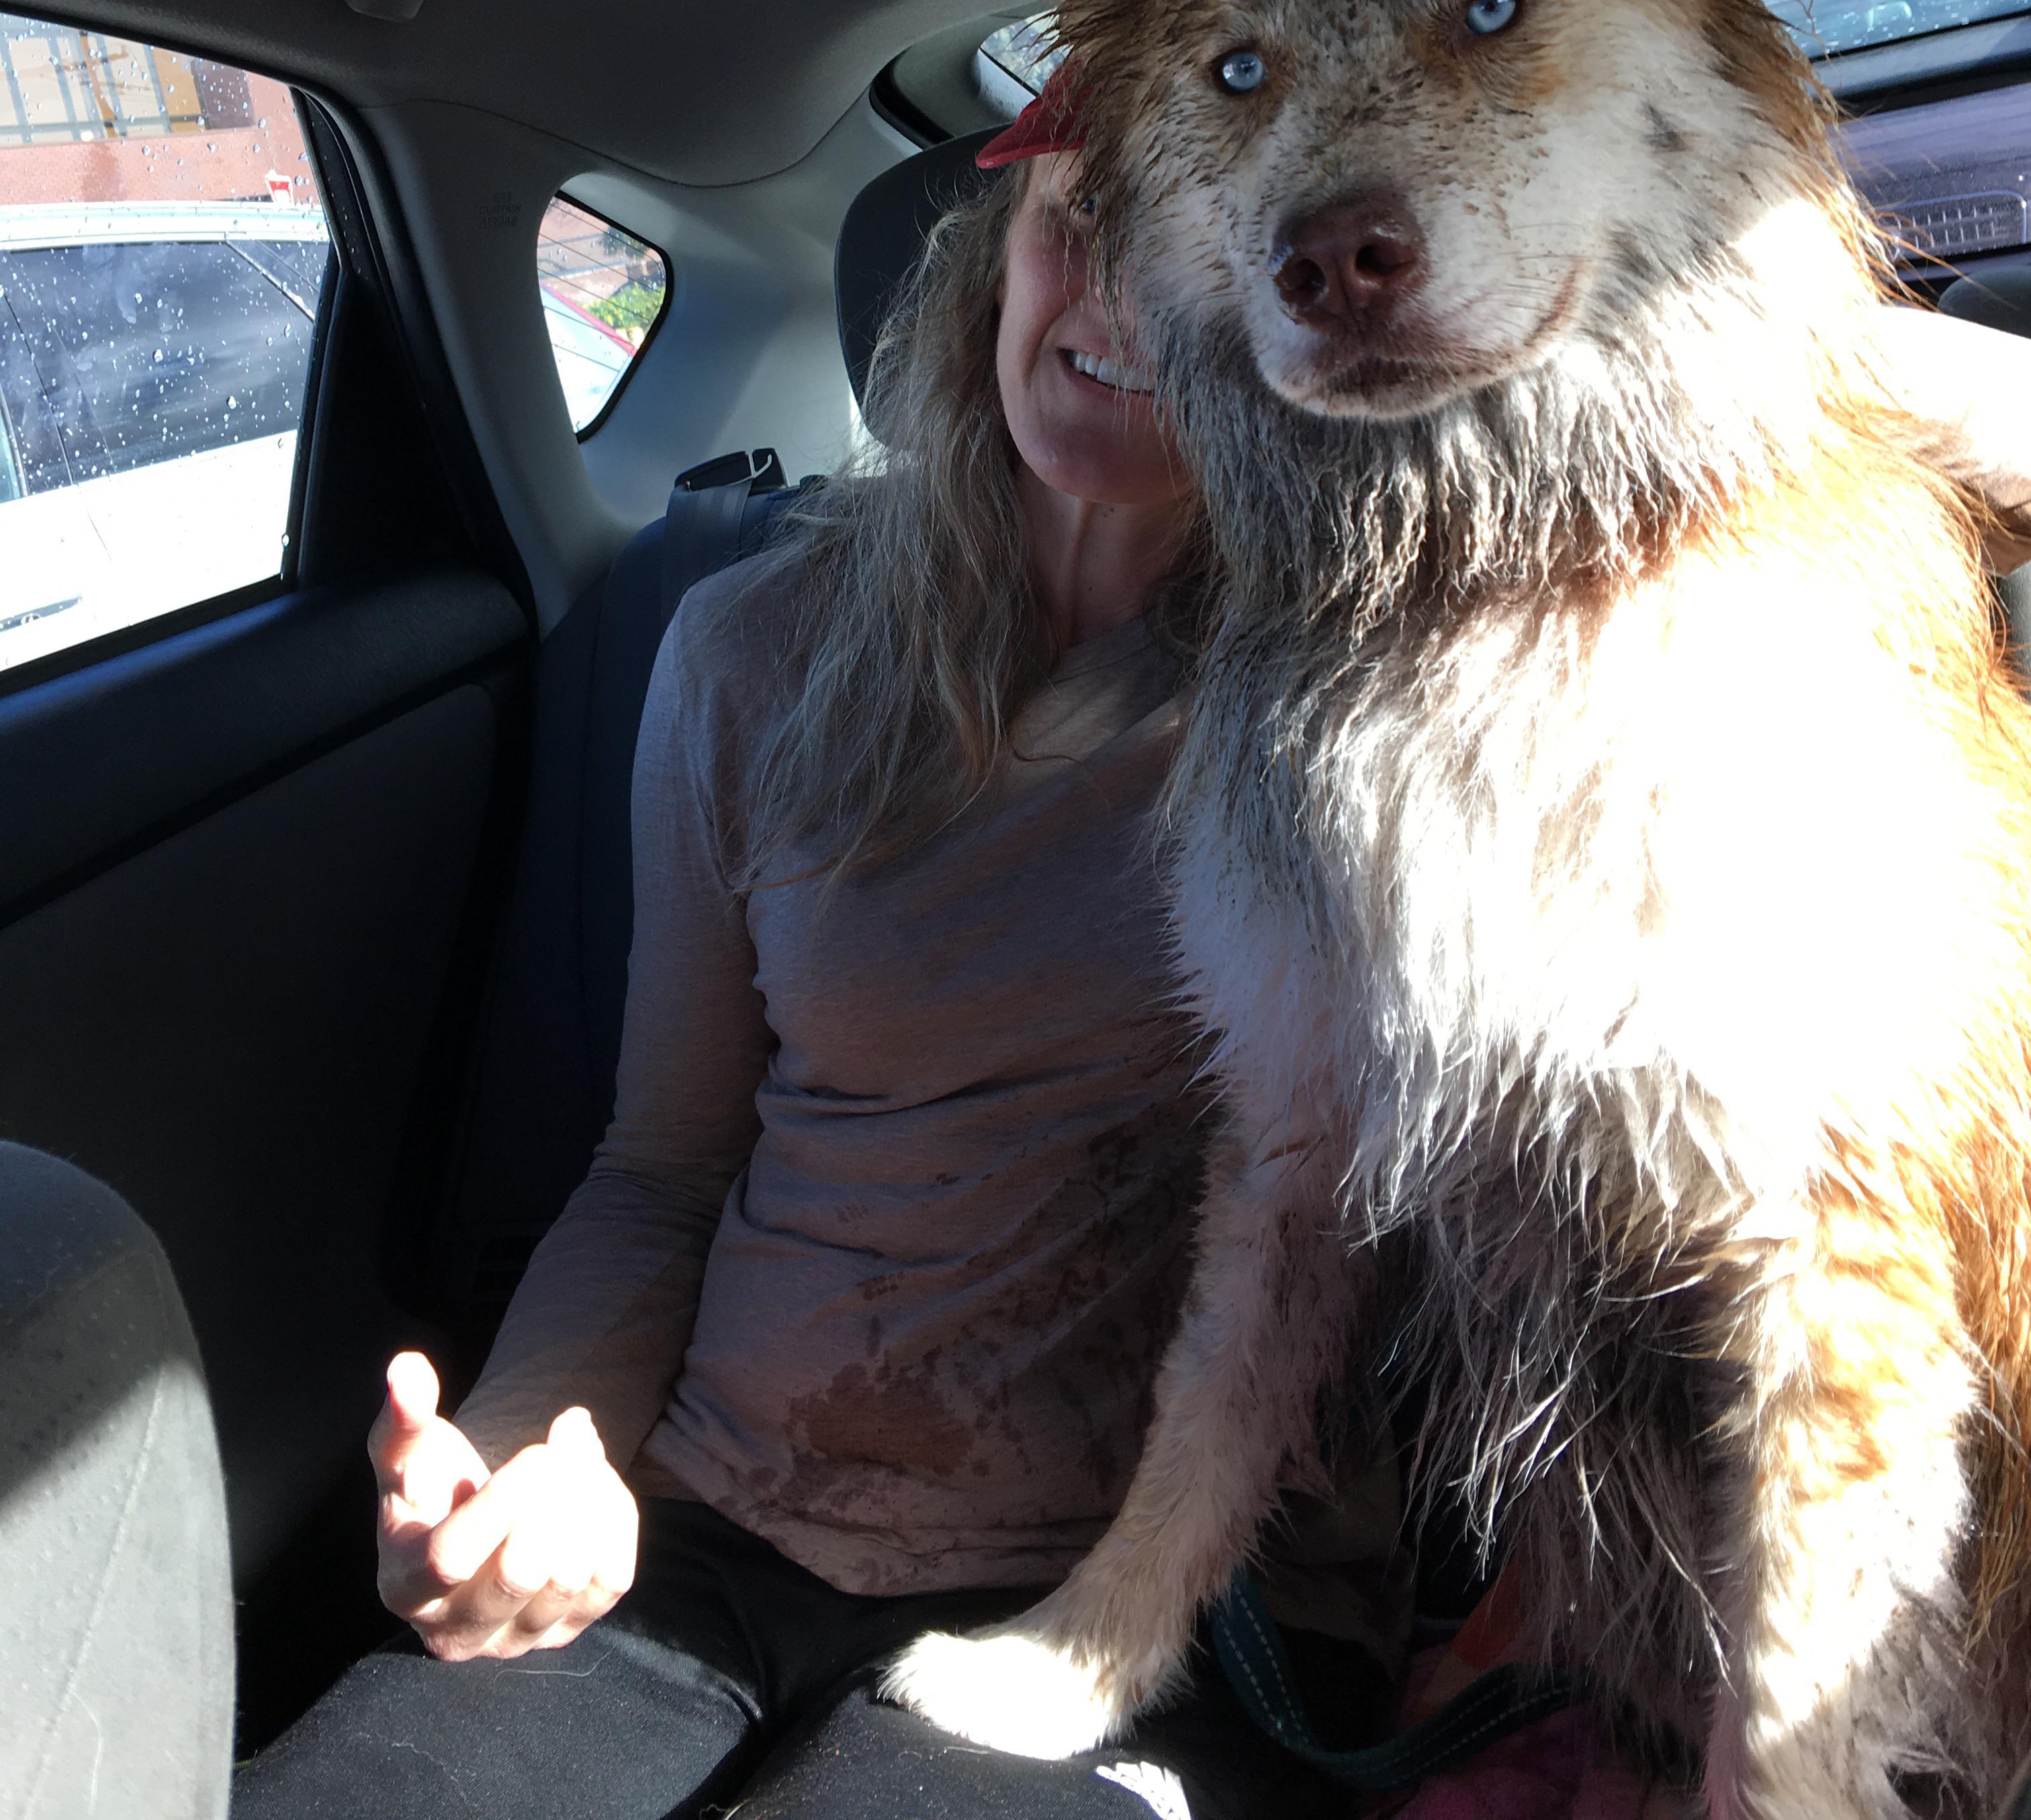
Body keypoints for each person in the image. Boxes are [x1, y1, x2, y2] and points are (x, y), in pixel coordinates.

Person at [235, 96, 2031, 1820]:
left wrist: (1768, 338)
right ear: (991, 264)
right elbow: (655, 1172)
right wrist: (539, 1460)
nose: (1122, 307)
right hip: (700, 1524)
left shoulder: (1426, 698)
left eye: (1211, 246)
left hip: (1171, 1600)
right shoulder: (747, 644)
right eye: (1081, 229)